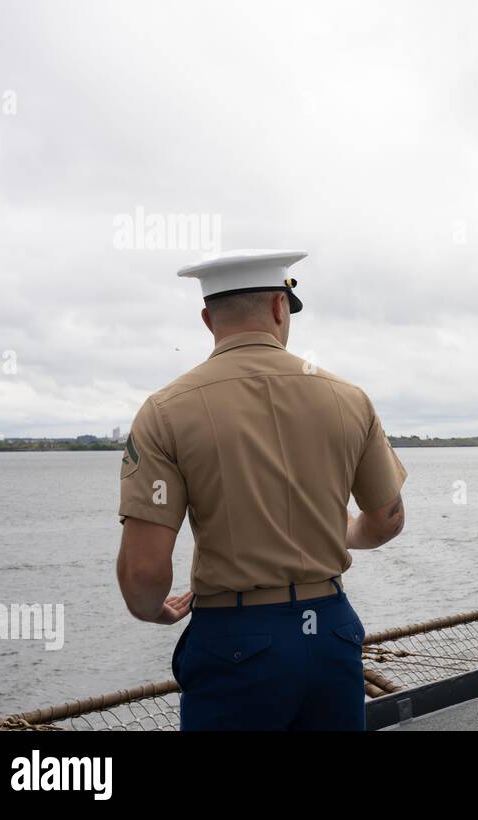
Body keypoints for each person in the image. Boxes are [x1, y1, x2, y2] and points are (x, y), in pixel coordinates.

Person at [117, 250, 408, 731]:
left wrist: (152, 612)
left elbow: (145, 571)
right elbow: (386, 521)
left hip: (234, 641)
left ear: (209, 319)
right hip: (329, 630)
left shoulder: (165, 411)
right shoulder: (348, 398)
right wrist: (345, 534)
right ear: (279, 307)